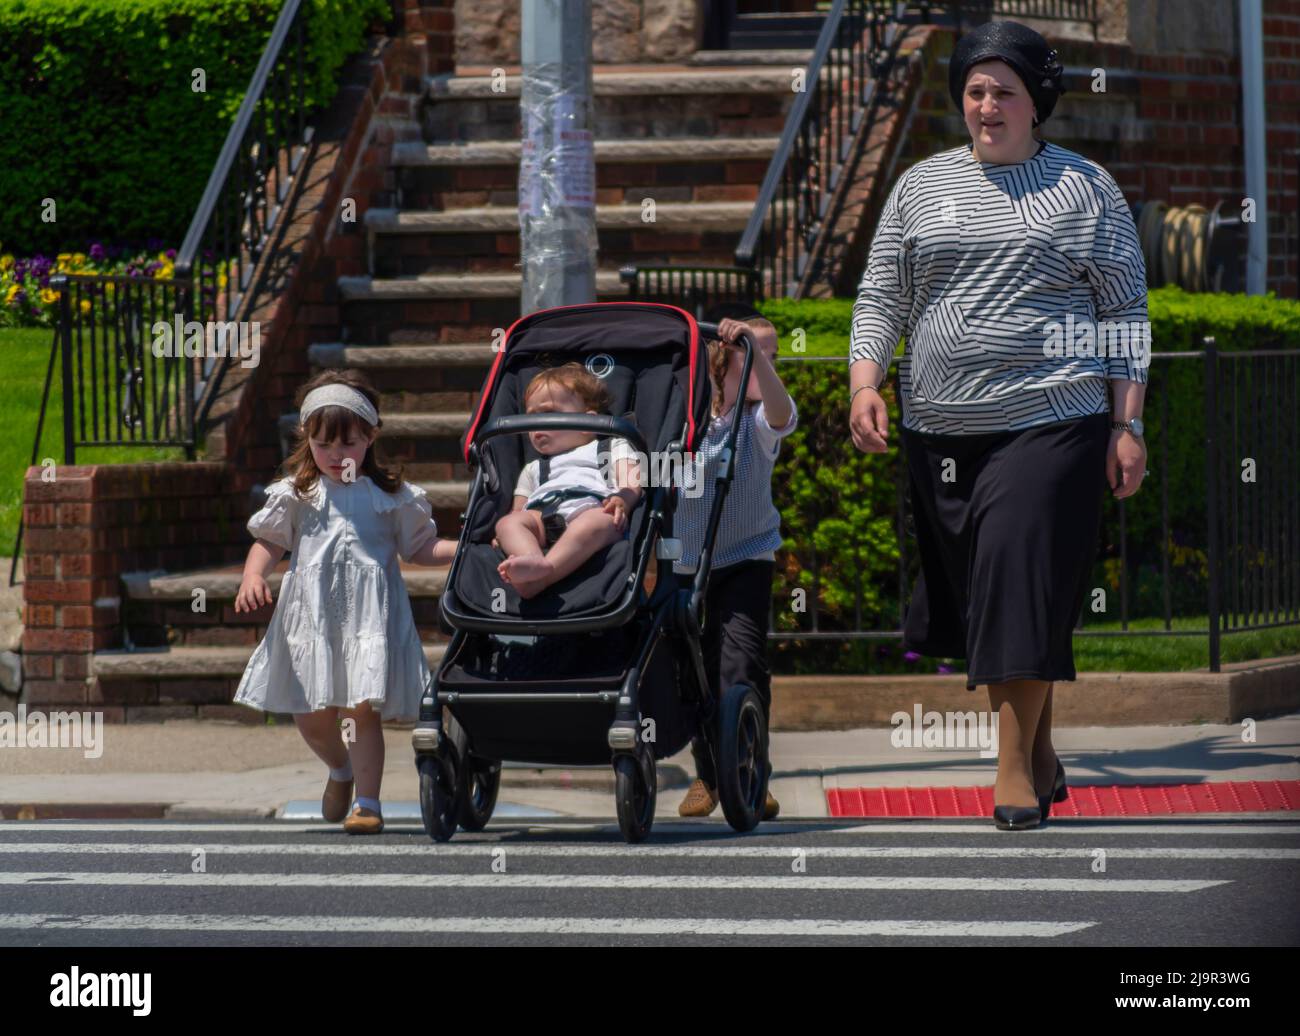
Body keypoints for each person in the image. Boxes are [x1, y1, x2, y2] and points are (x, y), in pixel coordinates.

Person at [848, 20, 1149, 830]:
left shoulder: (1087, 189)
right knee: (1003, 595)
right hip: (942, 431)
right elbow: (883, 294)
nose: (986, 105)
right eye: (975, 90)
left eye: (1003, 91)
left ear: (1036, 103)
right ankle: (1046, 753)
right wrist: (864, 383)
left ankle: (1012, 770)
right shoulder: (920, 187)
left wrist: (1129, 426)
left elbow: (1124, 315)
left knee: (1019, 572)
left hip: (1054, 418)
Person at [233, 370, 458, 834]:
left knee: (360, 709)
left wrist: (463, 548)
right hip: (311, 618)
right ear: (306, 438)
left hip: (367, 620)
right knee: (311, 716)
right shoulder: (297, 493)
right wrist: (253, 574)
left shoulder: (390, 496)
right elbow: (270, 542)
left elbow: (419, 549)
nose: (337, 455)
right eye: (324, 444)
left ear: (371, 436)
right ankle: (340, 770)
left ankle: (368, 803)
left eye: (350, 443)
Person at [675, 313, 796, 821]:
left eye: (771, 353)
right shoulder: (690, 420)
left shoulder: (758, 423)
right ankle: (707, 774)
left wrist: (753, 348)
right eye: (754, 353)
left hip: (746, 556)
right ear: (723, 360)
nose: (767, 363)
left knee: (742, 666)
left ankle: (749, 773)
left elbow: (783, 411)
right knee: (691, 669)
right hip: (683, 562)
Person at [495, 363, 643, 599]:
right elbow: (518, 510)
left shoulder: (611, 446)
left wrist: (622, 500)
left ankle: (543, 575)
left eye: (546, 413)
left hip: (592, 508)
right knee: (507, 523)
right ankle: (533, 559)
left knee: (596, 522)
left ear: (588, 422)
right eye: (530, 416)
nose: (535, 425)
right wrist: (507, 536)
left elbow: (632, 482)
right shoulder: (534, 468)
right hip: (542, 519)